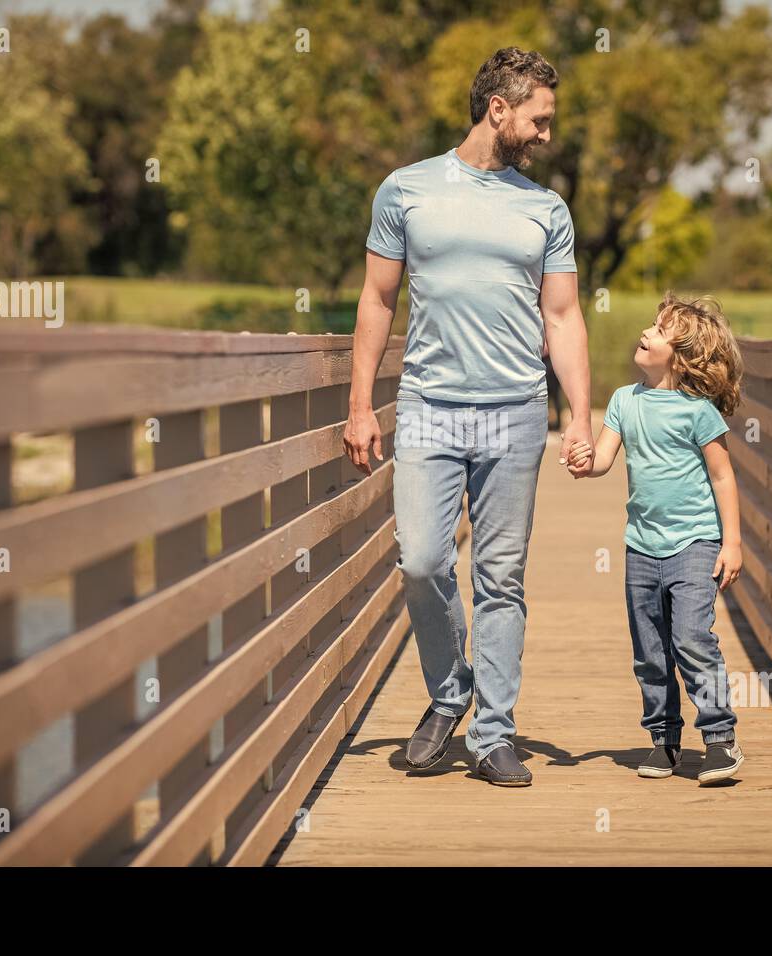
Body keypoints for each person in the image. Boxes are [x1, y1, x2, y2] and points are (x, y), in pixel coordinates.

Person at [342, 48, 593, 787]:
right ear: (499, 109)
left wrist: (579, 414)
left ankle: (492, 733)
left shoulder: (545, 208)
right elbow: (377, 301)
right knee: (420, 559)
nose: (547, 135)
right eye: (539, 119)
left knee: (502, 576)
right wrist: (360, 406)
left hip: (516, 412)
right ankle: (450, 691)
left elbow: (564, 313)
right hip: (428, 407)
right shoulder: (406, 190)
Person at [565, 292, 746, 785]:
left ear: (682, 356)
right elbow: (604, 459)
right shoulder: (625, 401)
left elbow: (723, 477)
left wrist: (732, 542)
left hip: (695, 542)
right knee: (649, 647)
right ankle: (664, 740)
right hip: (641, 545)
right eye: (651, 324)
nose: (646, 331)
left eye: (660, 330)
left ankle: (719, 740)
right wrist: (585, 463)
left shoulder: (698, 410)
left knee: (690, 638)